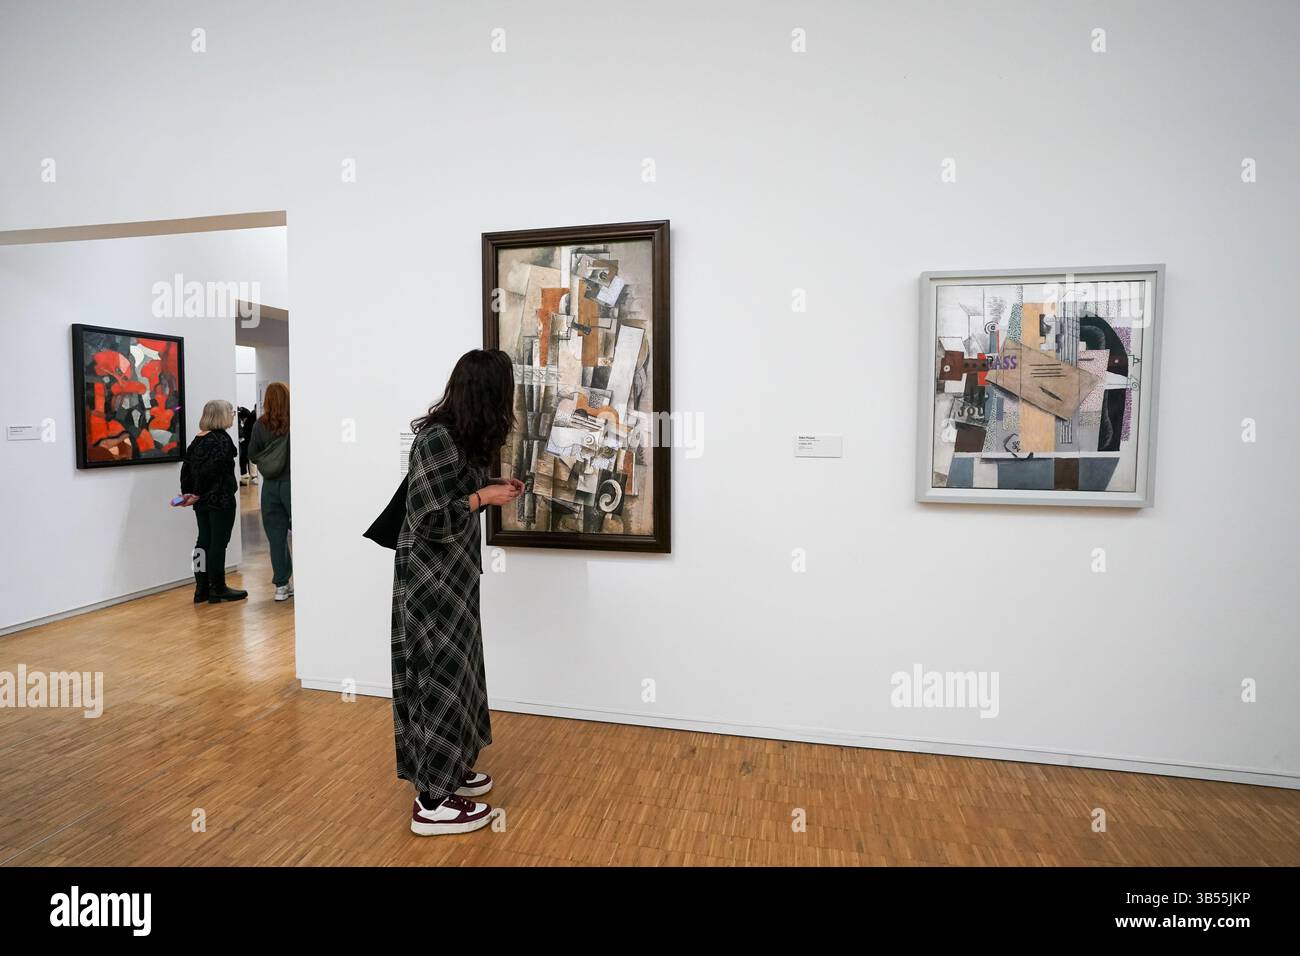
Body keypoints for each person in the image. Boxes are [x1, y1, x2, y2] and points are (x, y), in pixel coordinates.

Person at [393, 349, 523, 836]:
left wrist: (492, 486)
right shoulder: (436, 440)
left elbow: (453, 497)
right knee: (435, 678)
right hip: (429, 583)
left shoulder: (461, 440)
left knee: (461, 674)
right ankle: (431, 801)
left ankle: (452, 771)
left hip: (457, 578)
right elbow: (427, 517)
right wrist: (483, 497)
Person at [180, 400, 247, 604]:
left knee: (202, 543)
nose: (233, 415)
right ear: (221, 415)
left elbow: (186, 471)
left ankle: (201, 589)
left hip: (201, 502)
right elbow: (213, 470)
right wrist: (198, 492)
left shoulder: (197, 440)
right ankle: (218, 587)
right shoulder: (221, 440)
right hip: (220, 499)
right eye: (231, 412)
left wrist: (189, 493)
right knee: (218, 545)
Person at [248, 383, 293, 601]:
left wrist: (269, 461)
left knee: (276, 538)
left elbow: (252, 454)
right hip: (293, 486)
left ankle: (281, 586)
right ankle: (312, 580)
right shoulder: (295, 423)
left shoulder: (260, 425)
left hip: (270, 488)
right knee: (307, 535)